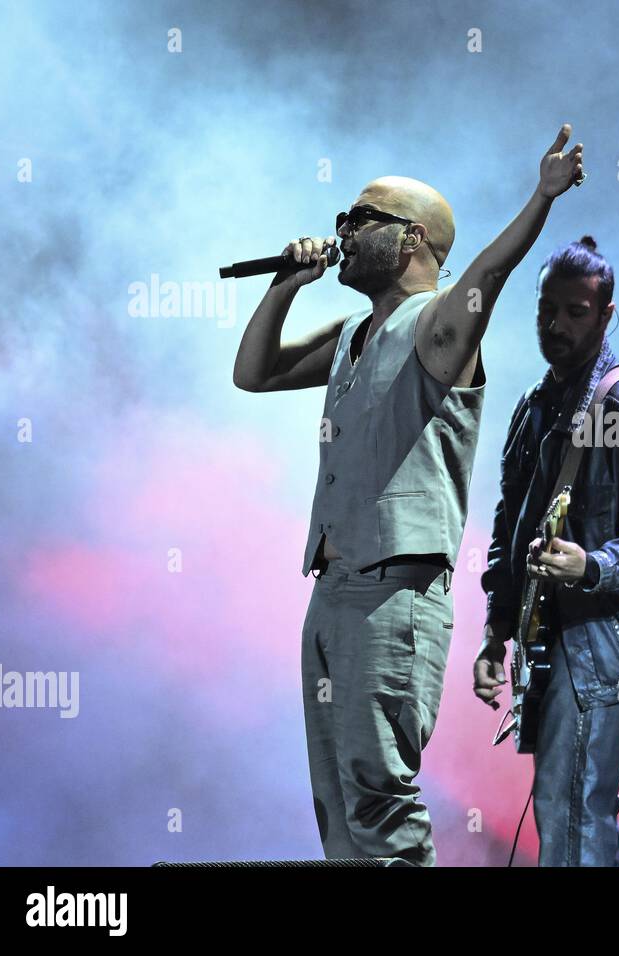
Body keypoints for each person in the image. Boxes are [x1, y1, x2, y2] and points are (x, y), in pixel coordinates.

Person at [232, 125, 585, 864]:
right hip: (332, 590)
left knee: (380, 801)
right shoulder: (354, 335)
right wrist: (285, 285)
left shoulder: (438, 327)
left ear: (411, 238)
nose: (342, 232)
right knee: (339, 809)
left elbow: (488, 271)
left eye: (360, 220)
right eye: (342, 221)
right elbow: (254, 373)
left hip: (395, 595)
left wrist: (541, 198)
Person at [472, 237, 619, 865]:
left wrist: (593, 565)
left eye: (575, 312)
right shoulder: (536, 404)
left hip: (603, 636)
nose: (556, 325)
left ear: (606, 316)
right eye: (547, 309)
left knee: (575, 806)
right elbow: (510, 523)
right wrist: (497, 630)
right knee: (564, 804)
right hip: (558, 630)